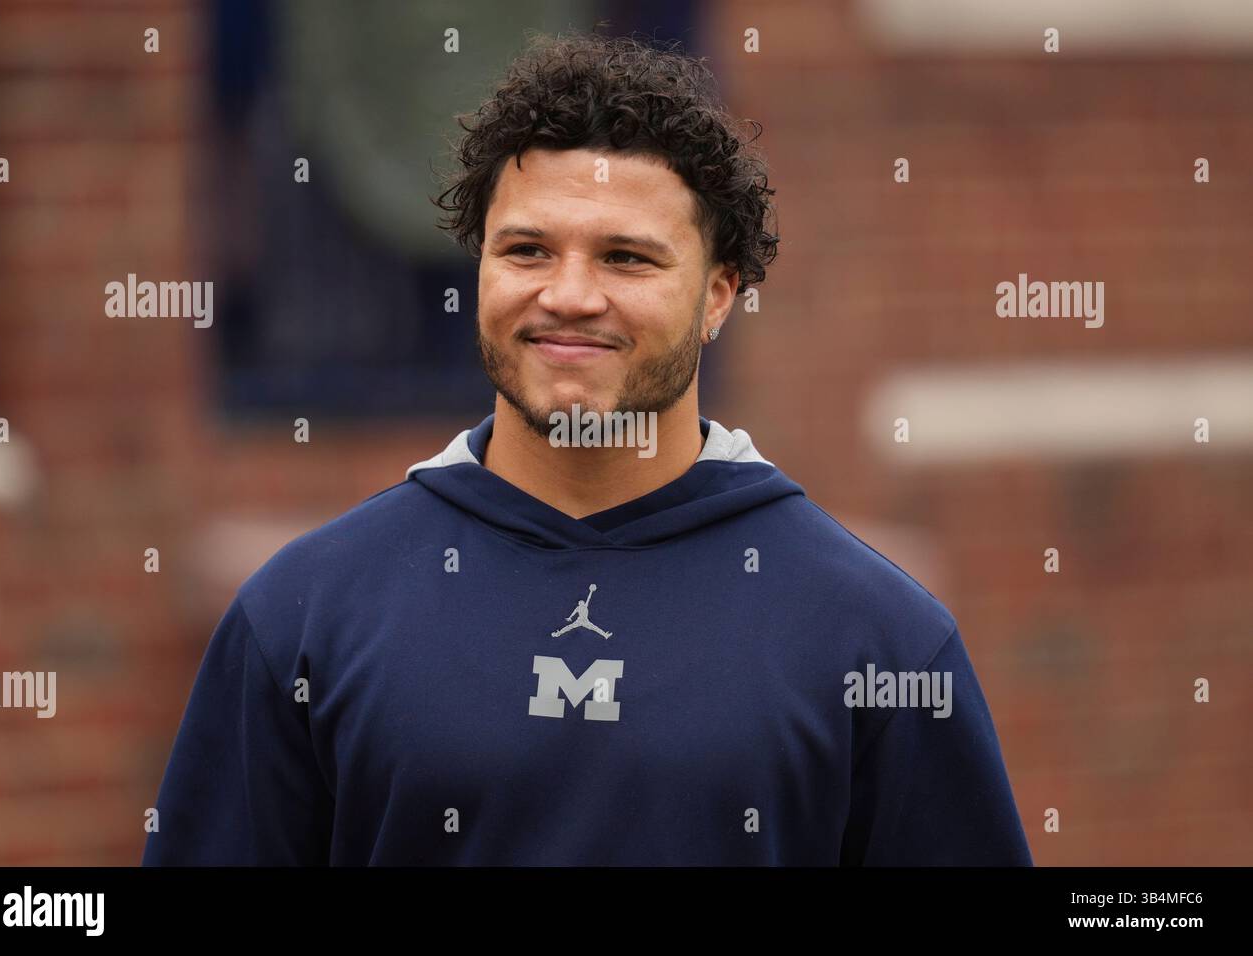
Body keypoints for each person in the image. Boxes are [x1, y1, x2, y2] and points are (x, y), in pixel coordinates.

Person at [143, 31, 1032, 866]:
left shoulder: (881, 641)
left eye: (626, 259)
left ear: (719, 295)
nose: (568, 296)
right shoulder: (302, 618)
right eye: (527, 249)